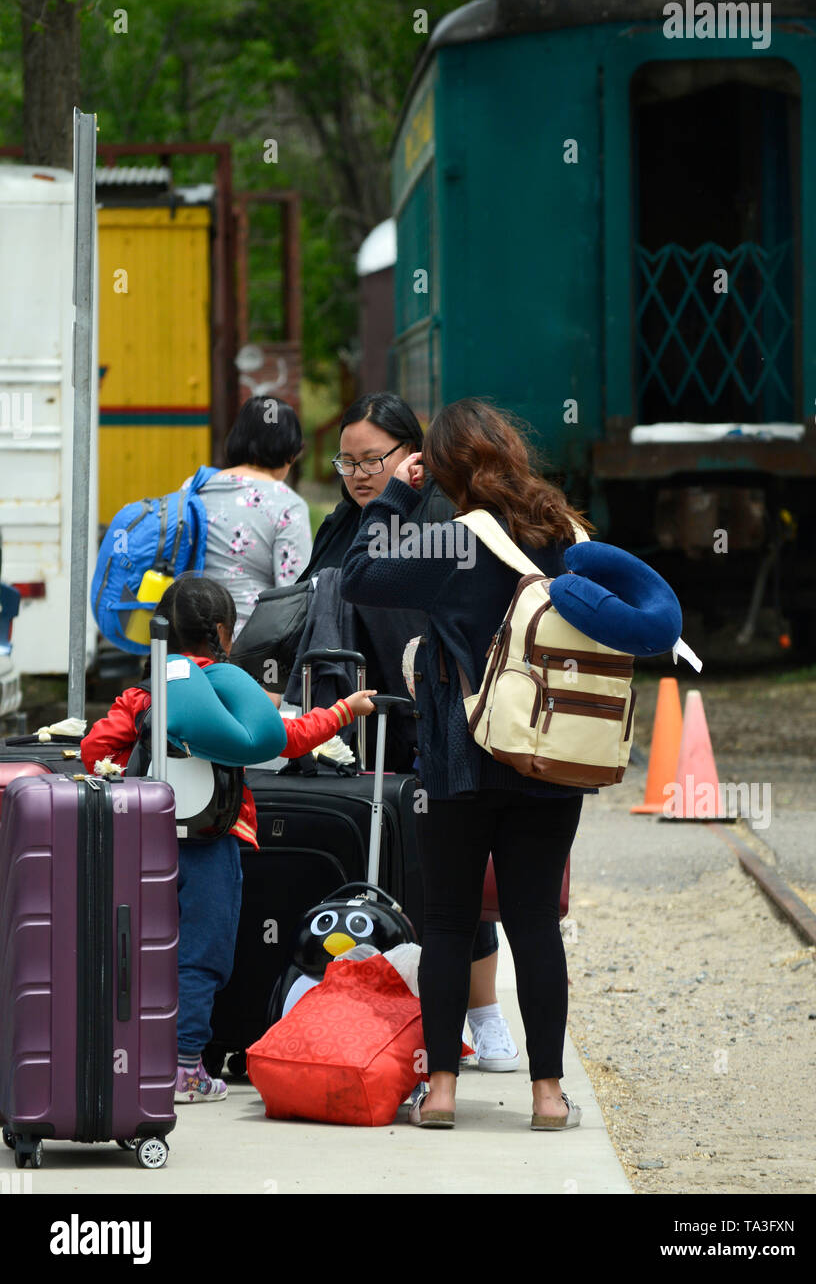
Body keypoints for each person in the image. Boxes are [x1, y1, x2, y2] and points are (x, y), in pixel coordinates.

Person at [340, 398, 592, 1129]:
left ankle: (443, 1090)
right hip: (549, 759)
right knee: (535, 924)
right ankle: (547, 1096)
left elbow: (357, 573)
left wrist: (396, 494)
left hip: (460, 761)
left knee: (448, 923)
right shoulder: (567, 537)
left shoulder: (448, 545)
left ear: (442, 470)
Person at [81, 574, 376, 1104]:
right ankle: (185, 1067)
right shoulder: (228, 695)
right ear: (222, 631)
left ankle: (126, 1057)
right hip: (213, 844)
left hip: (140, 843)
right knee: (200, 956)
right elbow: (286, 740)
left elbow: (95, 751)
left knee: (134, 949)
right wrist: (343, 711)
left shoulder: (141, 695)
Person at [299, 391, 518, 1071]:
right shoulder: (338, 525)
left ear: (412, 459)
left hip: (432, 725)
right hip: (348, 733)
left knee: (448, 884)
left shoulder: (441, 521)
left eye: (375, 459)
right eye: (347, 460)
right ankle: (358, 1016)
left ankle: (485, 1021)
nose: (360, 473)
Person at [197, 396, 311, 638]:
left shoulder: (196, 488)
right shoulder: (288, 504)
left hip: (189, 636)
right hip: (249, 643)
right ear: (290, 449)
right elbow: (293, 597)